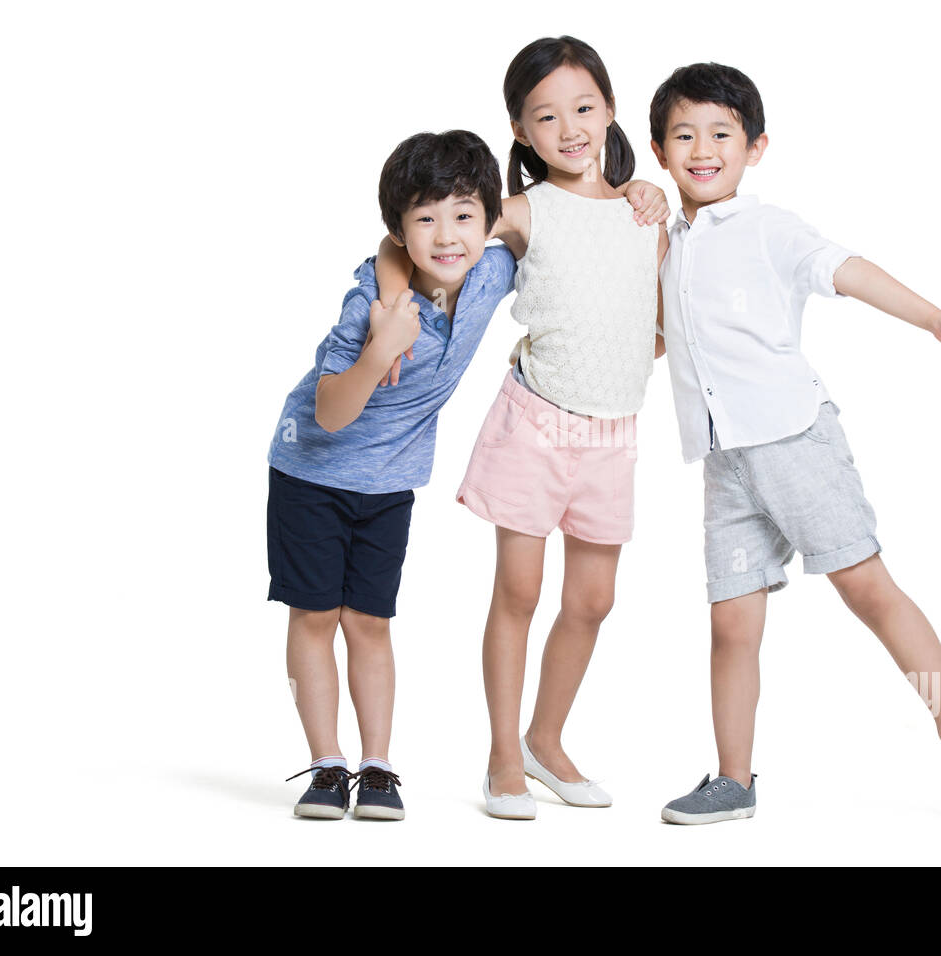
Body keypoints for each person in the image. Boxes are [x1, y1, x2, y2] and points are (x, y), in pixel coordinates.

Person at [648, 62, 941, 829]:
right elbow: (657, 339)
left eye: (722, 133)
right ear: (659, 149)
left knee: (868, 591)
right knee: (730, 623)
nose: (703, 148)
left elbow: (843, 271)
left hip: (795, 443)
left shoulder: (767, 226)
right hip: (724, 462)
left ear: (756, 146)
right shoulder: (665, 244)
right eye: (684, 134)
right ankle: (732, 779)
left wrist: (933, 319)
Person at [375, 35, 671, 819]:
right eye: (547, 116)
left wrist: (652, 199)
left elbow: (660, 319)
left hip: (615, 434)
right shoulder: (519, 211)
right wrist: (391, 305)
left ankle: (547, 738)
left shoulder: (646, 210)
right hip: (535, 423)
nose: (569, 128)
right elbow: (411, 239)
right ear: (520, 131)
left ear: (610, 111)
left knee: (595, 599)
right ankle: (503, 756)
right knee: (520, 587)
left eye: (584, 108)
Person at [267, 130, 514, 820]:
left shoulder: (491, 273)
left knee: (370, 621)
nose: (446, 234)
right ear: (399, 230)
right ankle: (325, 764)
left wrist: (632, 191)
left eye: (463, 215)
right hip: (310, 471)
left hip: (389, 485)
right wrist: (382, 348)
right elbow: (330, 409)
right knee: (316, 614)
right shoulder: (368, 305)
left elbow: (537, 212)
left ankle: (376, 766)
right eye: (424, 218)